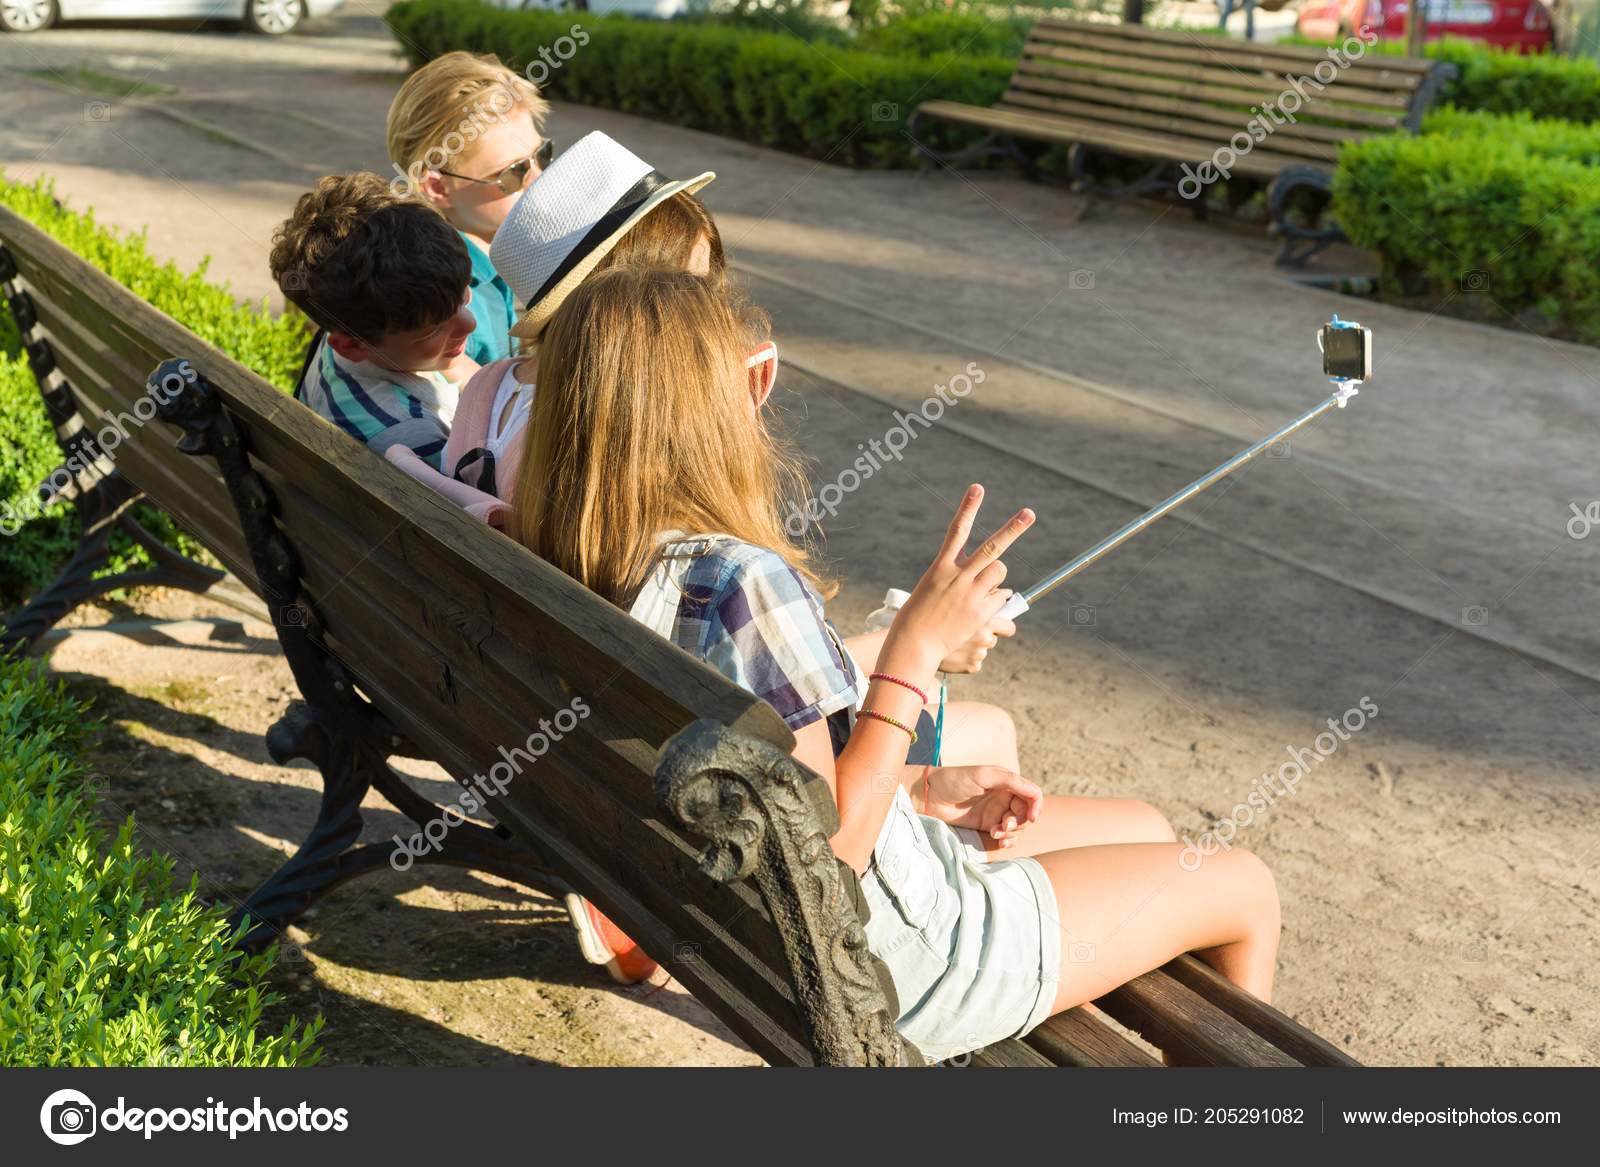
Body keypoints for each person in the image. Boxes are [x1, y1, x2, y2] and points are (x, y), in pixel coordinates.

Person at [511, 265, 1283, 1060]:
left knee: (1147, 830)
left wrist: (927, 789)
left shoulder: (563, 559)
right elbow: (831, 853)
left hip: (753, 914)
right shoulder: (742, 583)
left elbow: (778, 797)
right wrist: (914, 653)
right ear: (712, 413)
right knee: (1241, 882)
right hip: (887, 960)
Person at [269, 173, 478, 468]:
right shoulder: (412, 438)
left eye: (464, 295)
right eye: (433, 329)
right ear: (351, 346)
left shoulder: (356, 335)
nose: (469, 324)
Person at [386, 51, 553, 365]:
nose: (538, 179)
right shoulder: (450, 308)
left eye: (542, 154)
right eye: (514, 172)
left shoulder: (484, 259)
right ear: (437, 187)